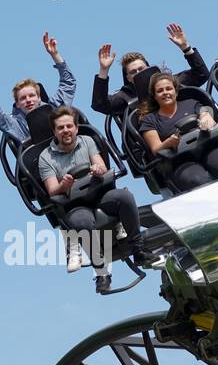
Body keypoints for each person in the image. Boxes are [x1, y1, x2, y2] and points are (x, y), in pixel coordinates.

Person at [39, 107, 155, 292]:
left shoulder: (87, 141)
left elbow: (100, 164)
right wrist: (64, 185)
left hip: (99, 194)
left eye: (69, 126)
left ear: (76, 128)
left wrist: (99, 169)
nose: (66, 130)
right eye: (61, 128)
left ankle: (138, 250)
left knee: (125, 197)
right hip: (75, 205)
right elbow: (52, 190)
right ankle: (101, 273)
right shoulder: (46, 157)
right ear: (55, 131)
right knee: (81, 221)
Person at [137, 72, 218, 192]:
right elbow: (156, 149)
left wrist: (206, 118)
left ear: (176, 92)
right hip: (180, 162)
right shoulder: (149, 120)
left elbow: (206, 114)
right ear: (155, 96)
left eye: (168, 89)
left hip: (209, 150)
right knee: (198, 179)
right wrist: (168, 142)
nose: (165, 93)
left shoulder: (191, 103)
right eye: (160, 91)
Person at [0, 32, 76, 143]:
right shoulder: (16, 125)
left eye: (32, 96)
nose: (28, 100)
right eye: (23, 98)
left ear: (39, 98)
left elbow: (68, 83)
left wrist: (55, 55)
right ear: (17, 104)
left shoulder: (54, 108)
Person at [92, 23, 209, 117]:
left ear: (148, 68)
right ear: (127, 77)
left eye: (141, 69)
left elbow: (202, 74)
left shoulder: (168, 83)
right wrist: (104, 70)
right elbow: (99, 104)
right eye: (133, 72)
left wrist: (185, 47)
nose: (139, 73)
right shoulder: (125, 96)